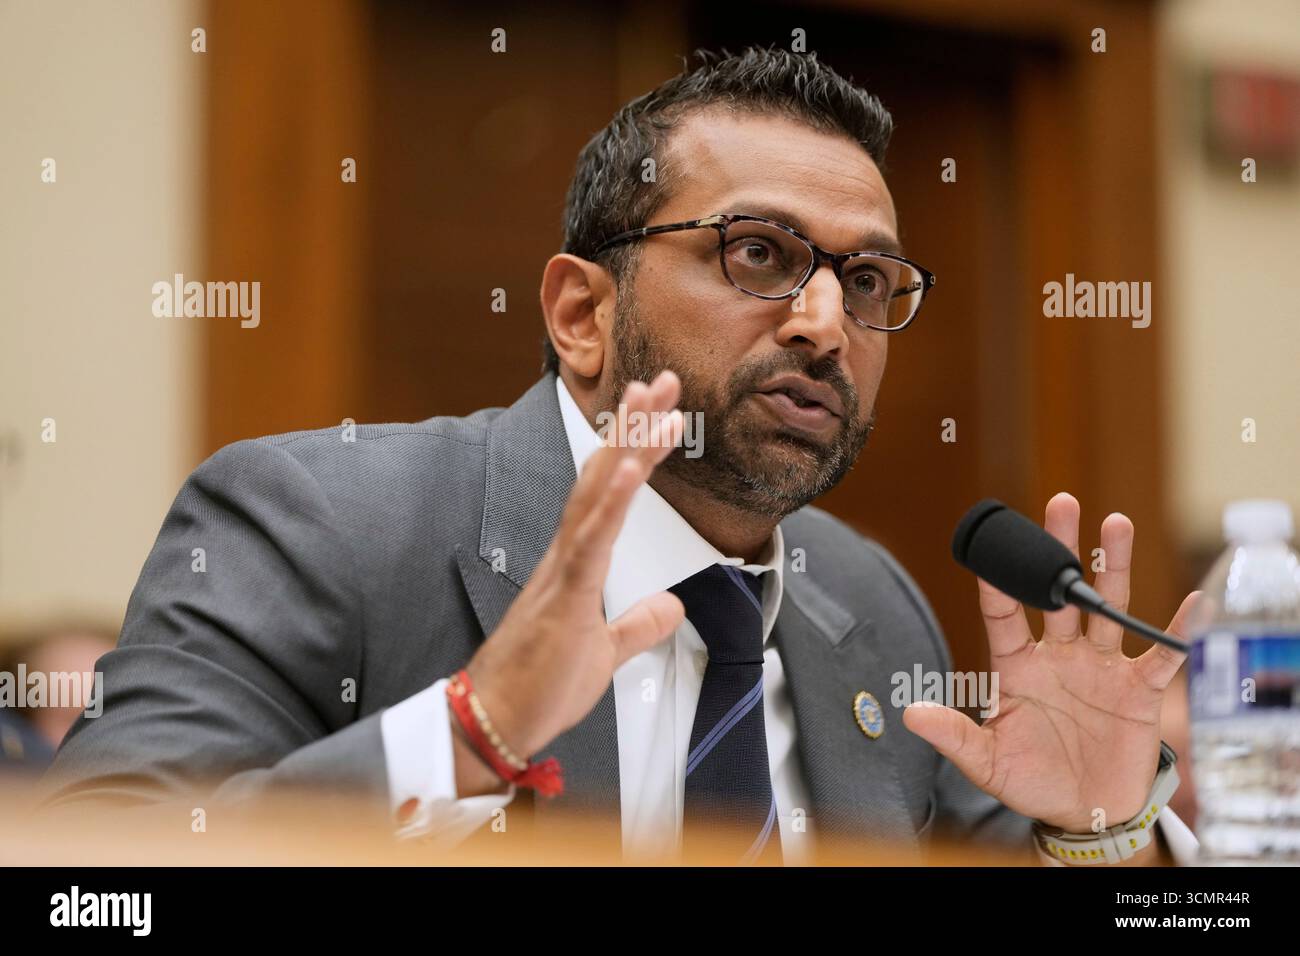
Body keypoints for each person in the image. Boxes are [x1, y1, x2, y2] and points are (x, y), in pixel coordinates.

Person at [42, 47, 1198, 865]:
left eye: (864, 281)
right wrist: (470, 732)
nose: (822, 323)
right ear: (581, 314)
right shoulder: (317, 520)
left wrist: (1101, 835)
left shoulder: (865, 602)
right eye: (756, 253)